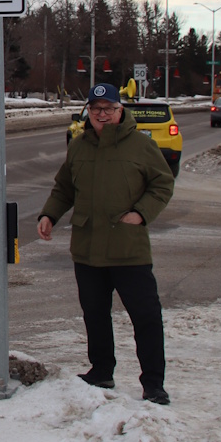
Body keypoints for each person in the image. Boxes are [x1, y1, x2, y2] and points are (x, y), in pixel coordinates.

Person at [37, 82, 175, 404]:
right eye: (96, 109)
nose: (102, 114)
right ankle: (101, 371)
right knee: (95, 314)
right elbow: (64, 189)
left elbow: (162, 185)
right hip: (87, 249)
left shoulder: (141, 146)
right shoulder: (79, 146)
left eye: (108, 109)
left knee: (146, 317)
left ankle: (153, 383)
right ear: (89, 112)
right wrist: (49, 215)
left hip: (129, 249)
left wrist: (141, 214)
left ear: (120, 110)